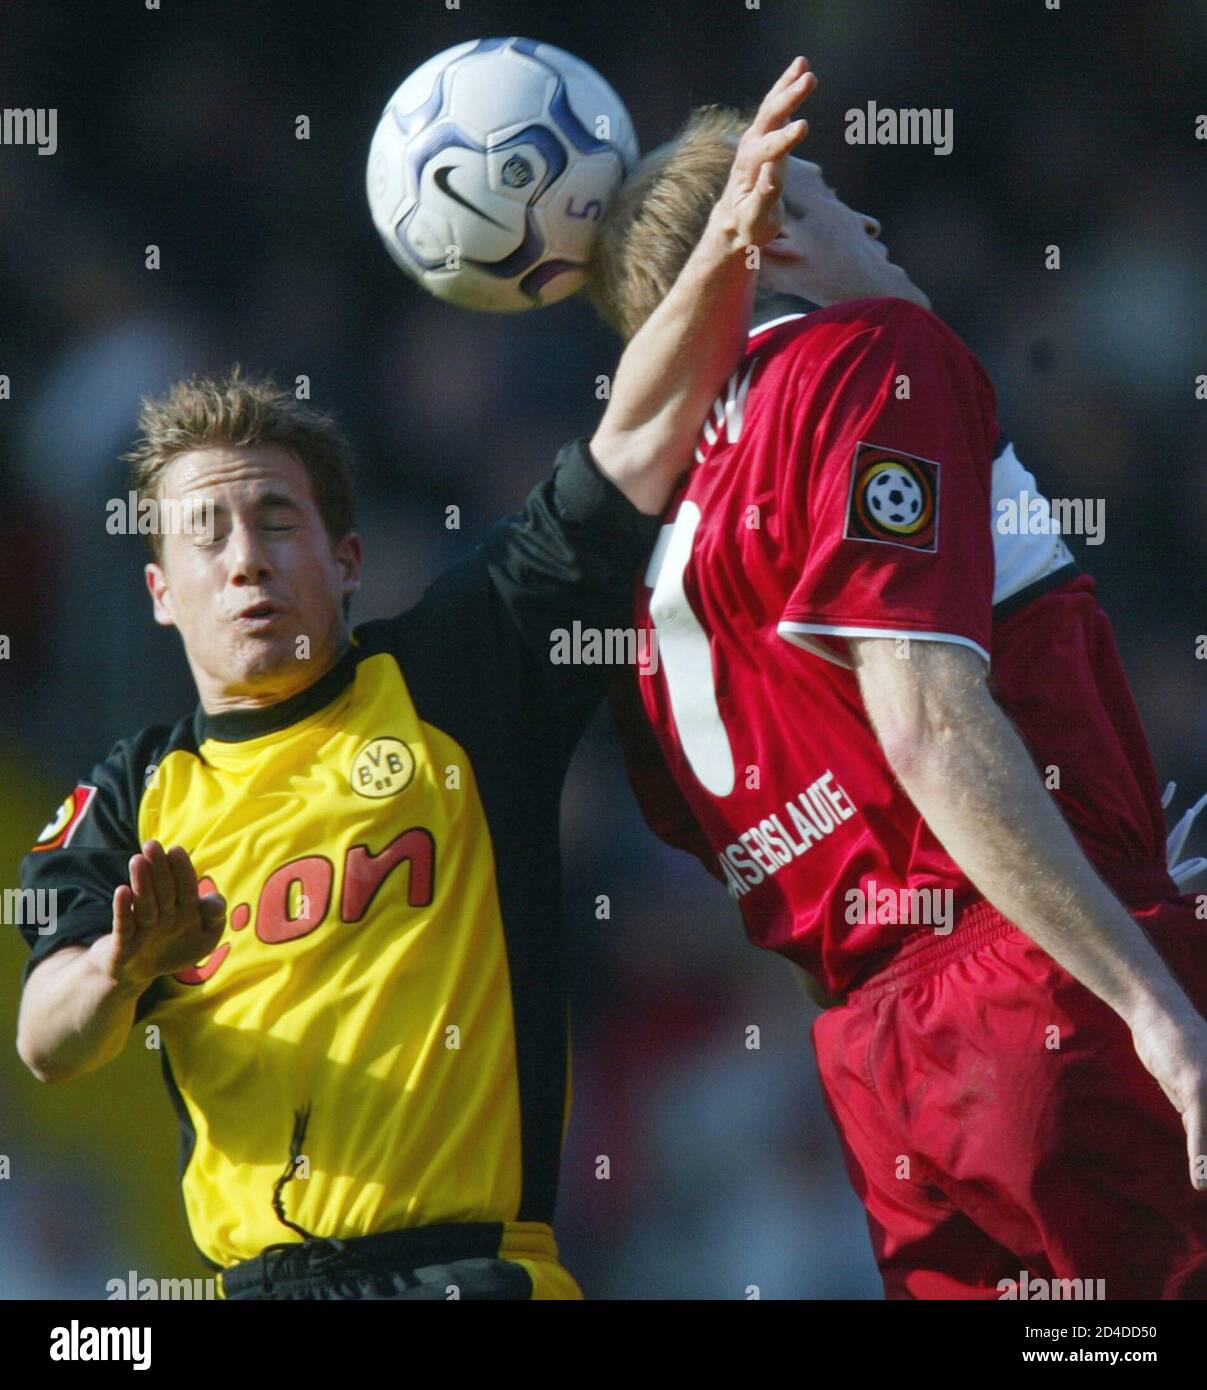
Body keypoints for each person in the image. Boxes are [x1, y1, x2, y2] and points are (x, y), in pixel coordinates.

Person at [12, 60, 817, 1303]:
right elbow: (47, 1038)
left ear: (344, 557)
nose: (246, 560)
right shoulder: (130, 799)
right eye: (206, 536)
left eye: (276, 522)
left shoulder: (460, 672)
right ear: (160, 589)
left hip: (472, 1274)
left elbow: (630, 446)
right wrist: (123, 967)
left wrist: (717, 246)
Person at [592, 101, 1207, 1299]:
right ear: (762, 245)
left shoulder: (647, 548)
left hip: (883, 1072)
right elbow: (921, 717)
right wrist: (1148, 998)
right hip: (1046, 986)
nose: (868, 219)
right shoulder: (864, 355)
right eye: (824, 199)